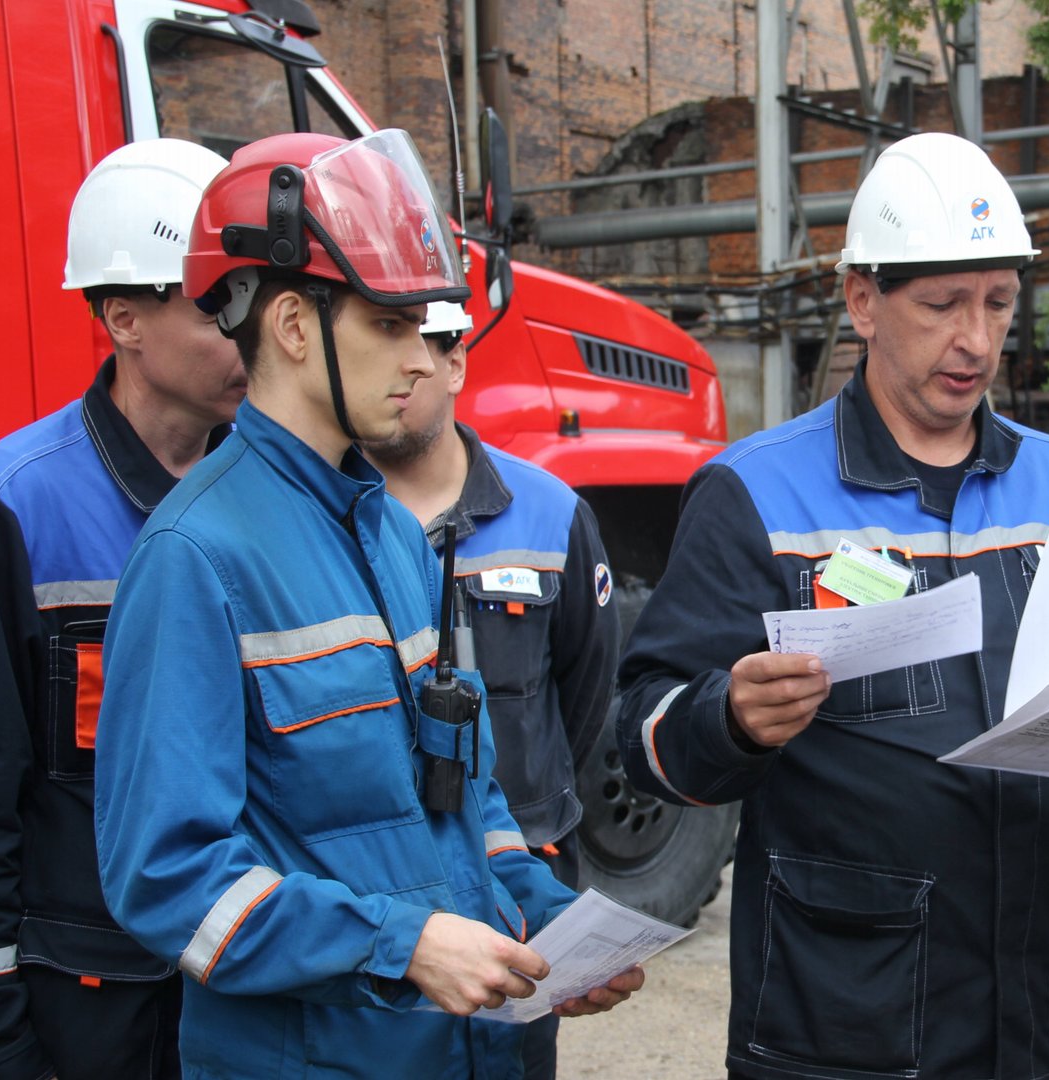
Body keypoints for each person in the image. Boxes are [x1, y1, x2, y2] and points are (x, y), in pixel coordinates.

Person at [614, 131, 1049, 1079]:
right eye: (943, 304)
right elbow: (642, 739)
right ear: (863, 301)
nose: (977, 339)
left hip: (1034, 1025)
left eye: (998, 302)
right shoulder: (758, 495)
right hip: (845, 1030)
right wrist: (730, 719)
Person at [91, 129, 641, 1078]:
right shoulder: (195, 559)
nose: (424, 359)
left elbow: (465, 798)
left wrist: (543, 913)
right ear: (294, 326)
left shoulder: (389, 531)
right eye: (390, 326)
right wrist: (401, 946)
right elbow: (167, 879)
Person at [0, 138, 238, 1080]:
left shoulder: (278, 492)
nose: (248, 334)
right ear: (123, 318)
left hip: (248, 998)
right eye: (216, 307)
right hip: (84, 1014)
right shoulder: (13, 506)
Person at [362, 299, 620, 1080]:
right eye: (377, 339)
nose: (399, 369)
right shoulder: (330, 524)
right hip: (384, 887)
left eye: (418, 344)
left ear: (456, 362)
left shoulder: (552, 514)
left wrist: (529, 805)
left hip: (521, 875)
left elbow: (586, 692)